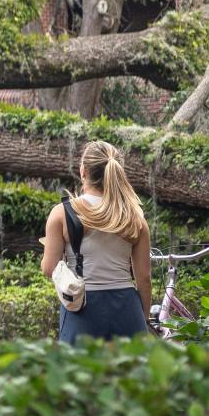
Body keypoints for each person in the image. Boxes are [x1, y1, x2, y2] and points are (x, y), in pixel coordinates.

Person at [41, 140, 153, 344]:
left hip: (82, 307)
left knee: (81, 374)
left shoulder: (62, 213)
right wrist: (143, 318)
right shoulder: (135, 217)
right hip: (127, 310)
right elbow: (144, 279)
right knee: (130, 375)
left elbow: (49, 268)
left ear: (83, 171)